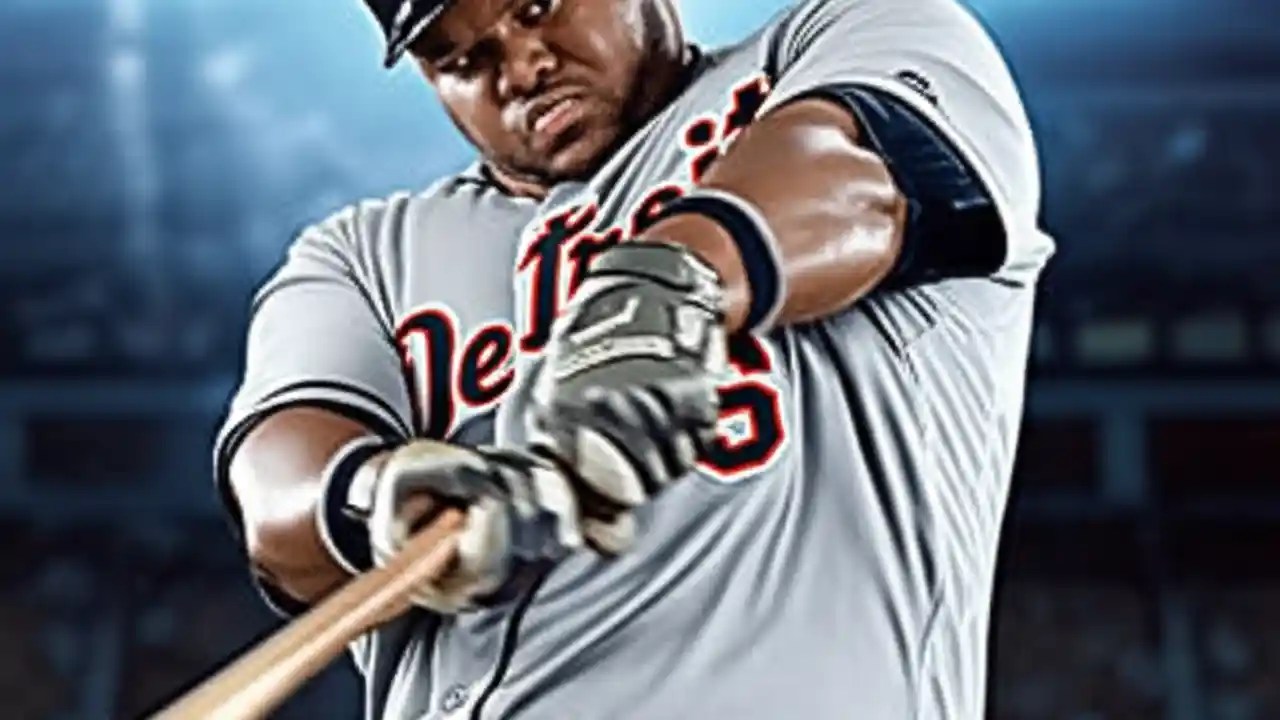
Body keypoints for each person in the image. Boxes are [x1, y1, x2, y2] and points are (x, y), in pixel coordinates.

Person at [214, 0, 1054, 716]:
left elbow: (862, 176)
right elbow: (275, 492)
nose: (521, 68)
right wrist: (370, 496)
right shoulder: (362, 254)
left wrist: (666, 292)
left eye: (536, 5)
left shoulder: (846, 38)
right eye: (462, 58)